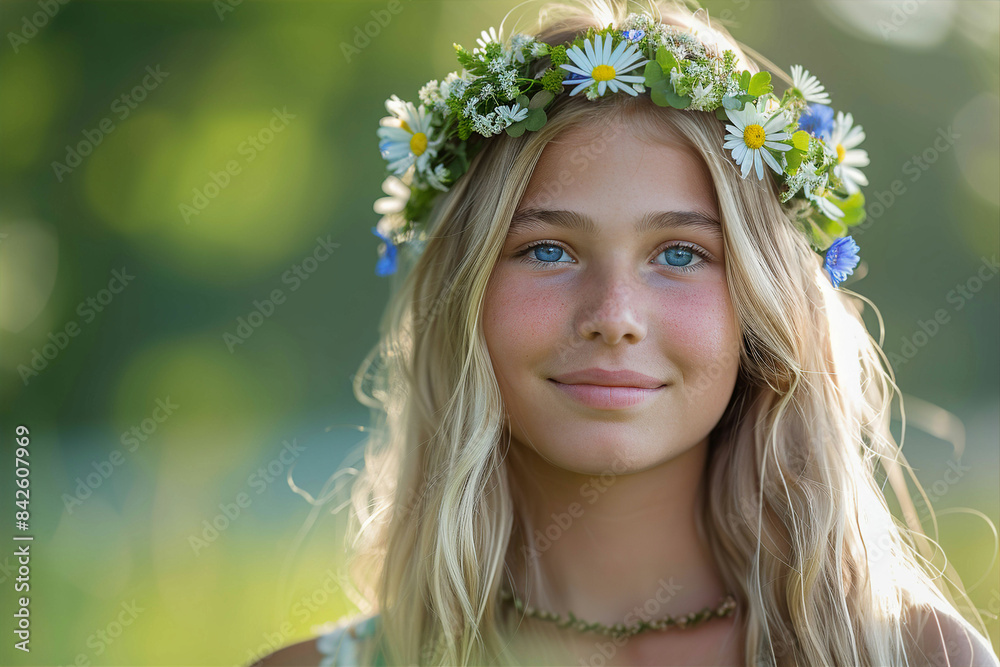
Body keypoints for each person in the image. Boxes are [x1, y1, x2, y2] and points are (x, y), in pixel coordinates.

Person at [255, 0, 1000, 664]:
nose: (612, 316)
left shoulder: (910, 656)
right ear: (464, 295)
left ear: (763, 306)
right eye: (548, 249)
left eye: (680, 253)